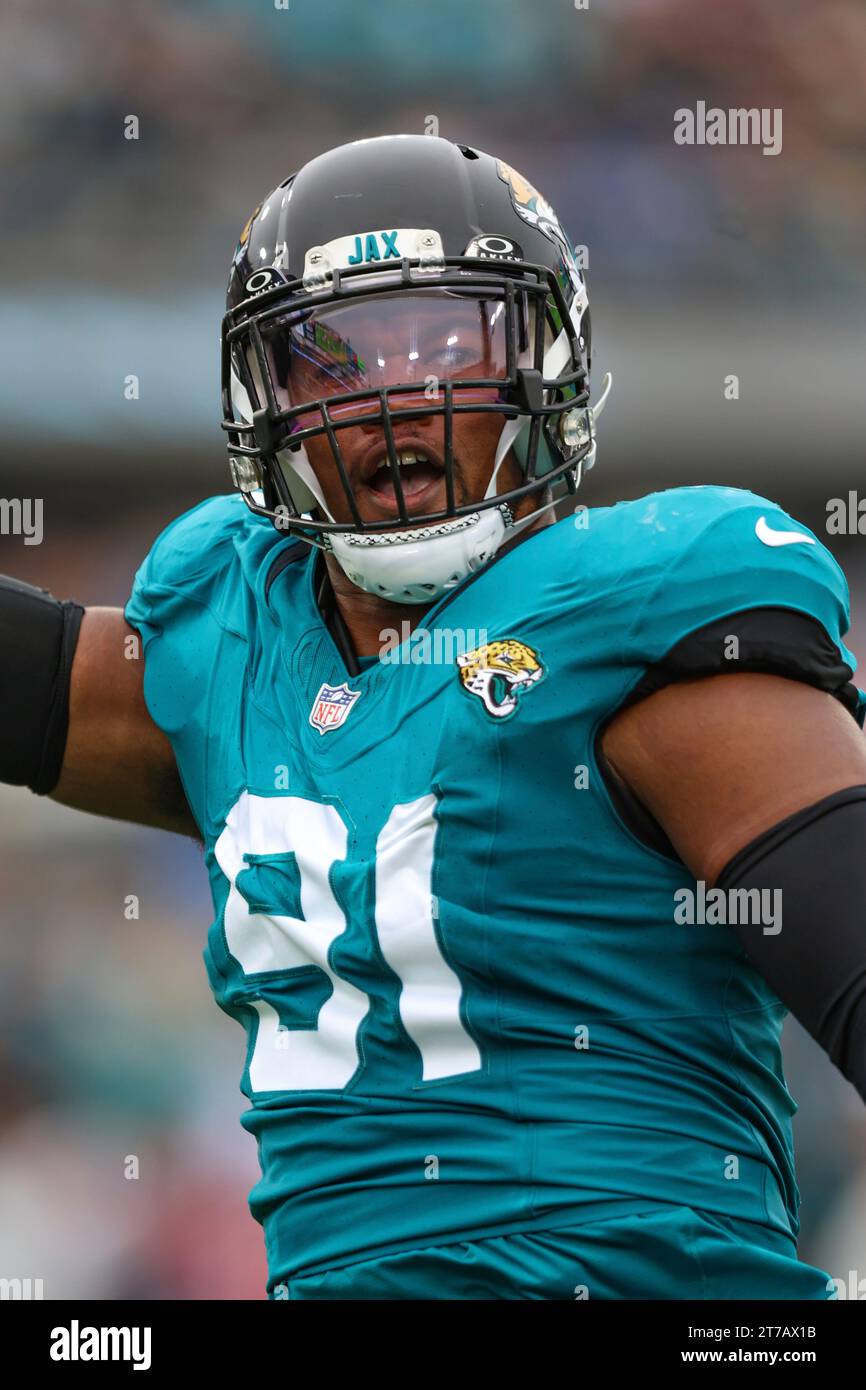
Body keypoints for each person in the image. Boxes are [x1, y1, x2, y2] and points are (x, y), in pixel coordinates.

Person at [3, 135, 865, 1300]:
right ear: (264, 400)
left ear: (544, 361)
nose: (396, 395)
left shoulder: (646, 621)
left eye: (445, 341)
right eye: (333, 359)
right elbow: (31, 675)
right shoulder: (227, 641)